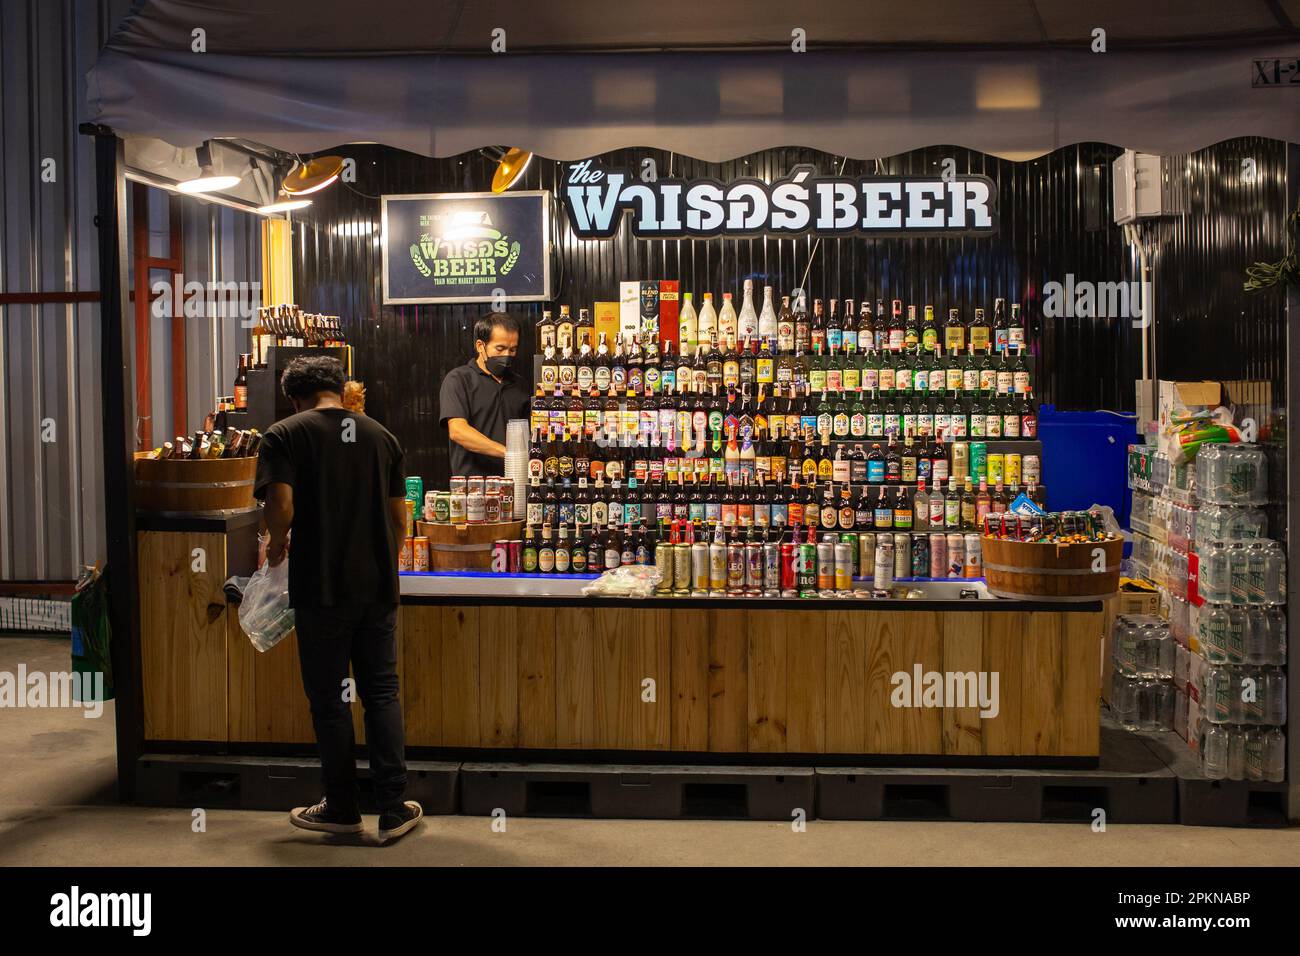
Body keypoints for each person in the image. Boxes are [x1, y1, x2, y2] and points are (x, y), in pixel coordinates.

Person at [254, 355, 422, 843]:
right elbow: (400, 518)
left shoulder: (283, 434)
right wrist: (382, 563)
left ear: (294, 396)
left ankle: (343, 808)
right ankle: (393, 809)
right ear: (341, 388)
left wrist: (279, 540)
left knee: (330, 701)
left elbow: (280, 505)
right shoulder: (381, 436)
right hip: (376, 589)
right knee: (382, 694)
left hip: (321, 588)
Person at [438, 311, 529, 477]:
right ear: (480, 346)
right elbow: (458, 431)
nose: (506, 356)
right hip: (472, 487)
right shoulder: (459, 380)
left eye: (513, 350)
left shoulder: (521, 385)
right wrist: (507, 452)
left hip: (514, 483)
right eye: (500, 349)